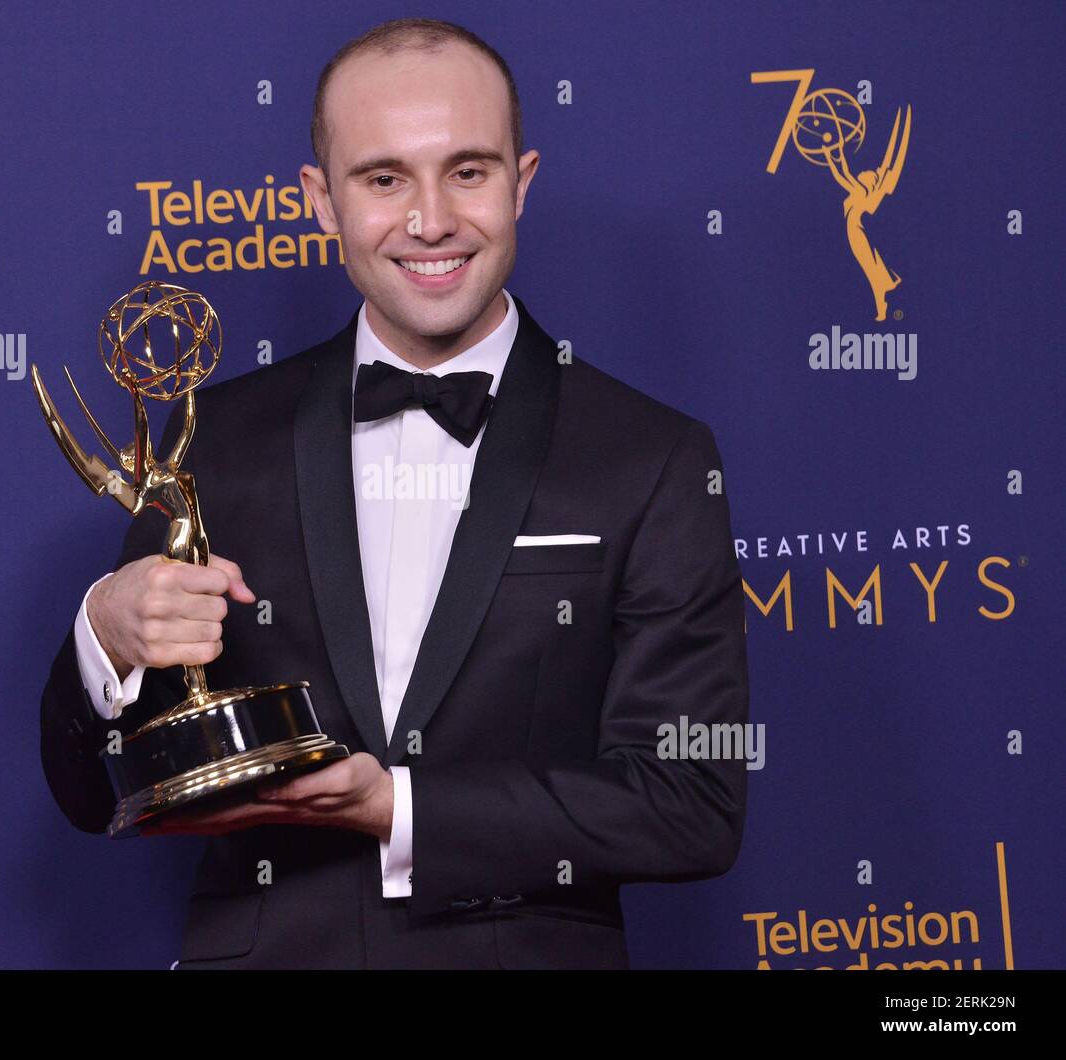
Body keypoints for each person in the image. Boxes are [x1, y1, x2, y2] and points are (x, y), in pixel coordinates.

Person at [39, 17, 749, 970]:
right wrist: (105, 637)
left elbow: (693, 806)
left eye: (469, 171)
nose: (430, 220)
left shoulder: (653, 457)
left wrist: (399, 809)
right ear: (320, 201)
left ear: (523, 182)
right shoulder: (219, 438)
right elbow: (93, 796)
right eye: (383, 179)